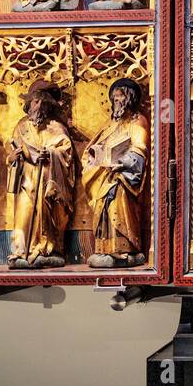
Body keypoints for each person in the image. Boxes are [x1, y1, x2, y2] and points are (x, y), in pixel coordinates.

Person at [82, 78, 149, 268]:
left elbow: (139, 148)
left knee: (118, 208)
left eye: (120, 97)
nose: (117, 101)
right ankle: (104, 248)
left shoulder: (138, 121)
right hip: (104, 175)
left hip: (123, 178)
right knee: (103, 209)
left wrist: (122, 163)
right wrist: (96, 156)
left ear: (130, 98)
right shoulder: (109, 123)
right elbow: (93, 147)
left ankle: (124, 248)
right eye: (114, 98)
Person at [6, 80, 75, 268]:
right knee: (24, 215)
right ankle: (20, 252)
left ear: (48, 106)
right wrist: (12, 157)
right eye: (34, 102)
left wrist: (51, 154)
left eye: (41, 103)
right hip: (26, 181)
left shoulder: (56, 127)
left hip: (47, 182)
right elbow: (11, 152)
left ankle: (46, 249)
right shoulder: (21, 127)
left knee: (46, 219)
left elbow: (66, 154)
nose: (37, 107)